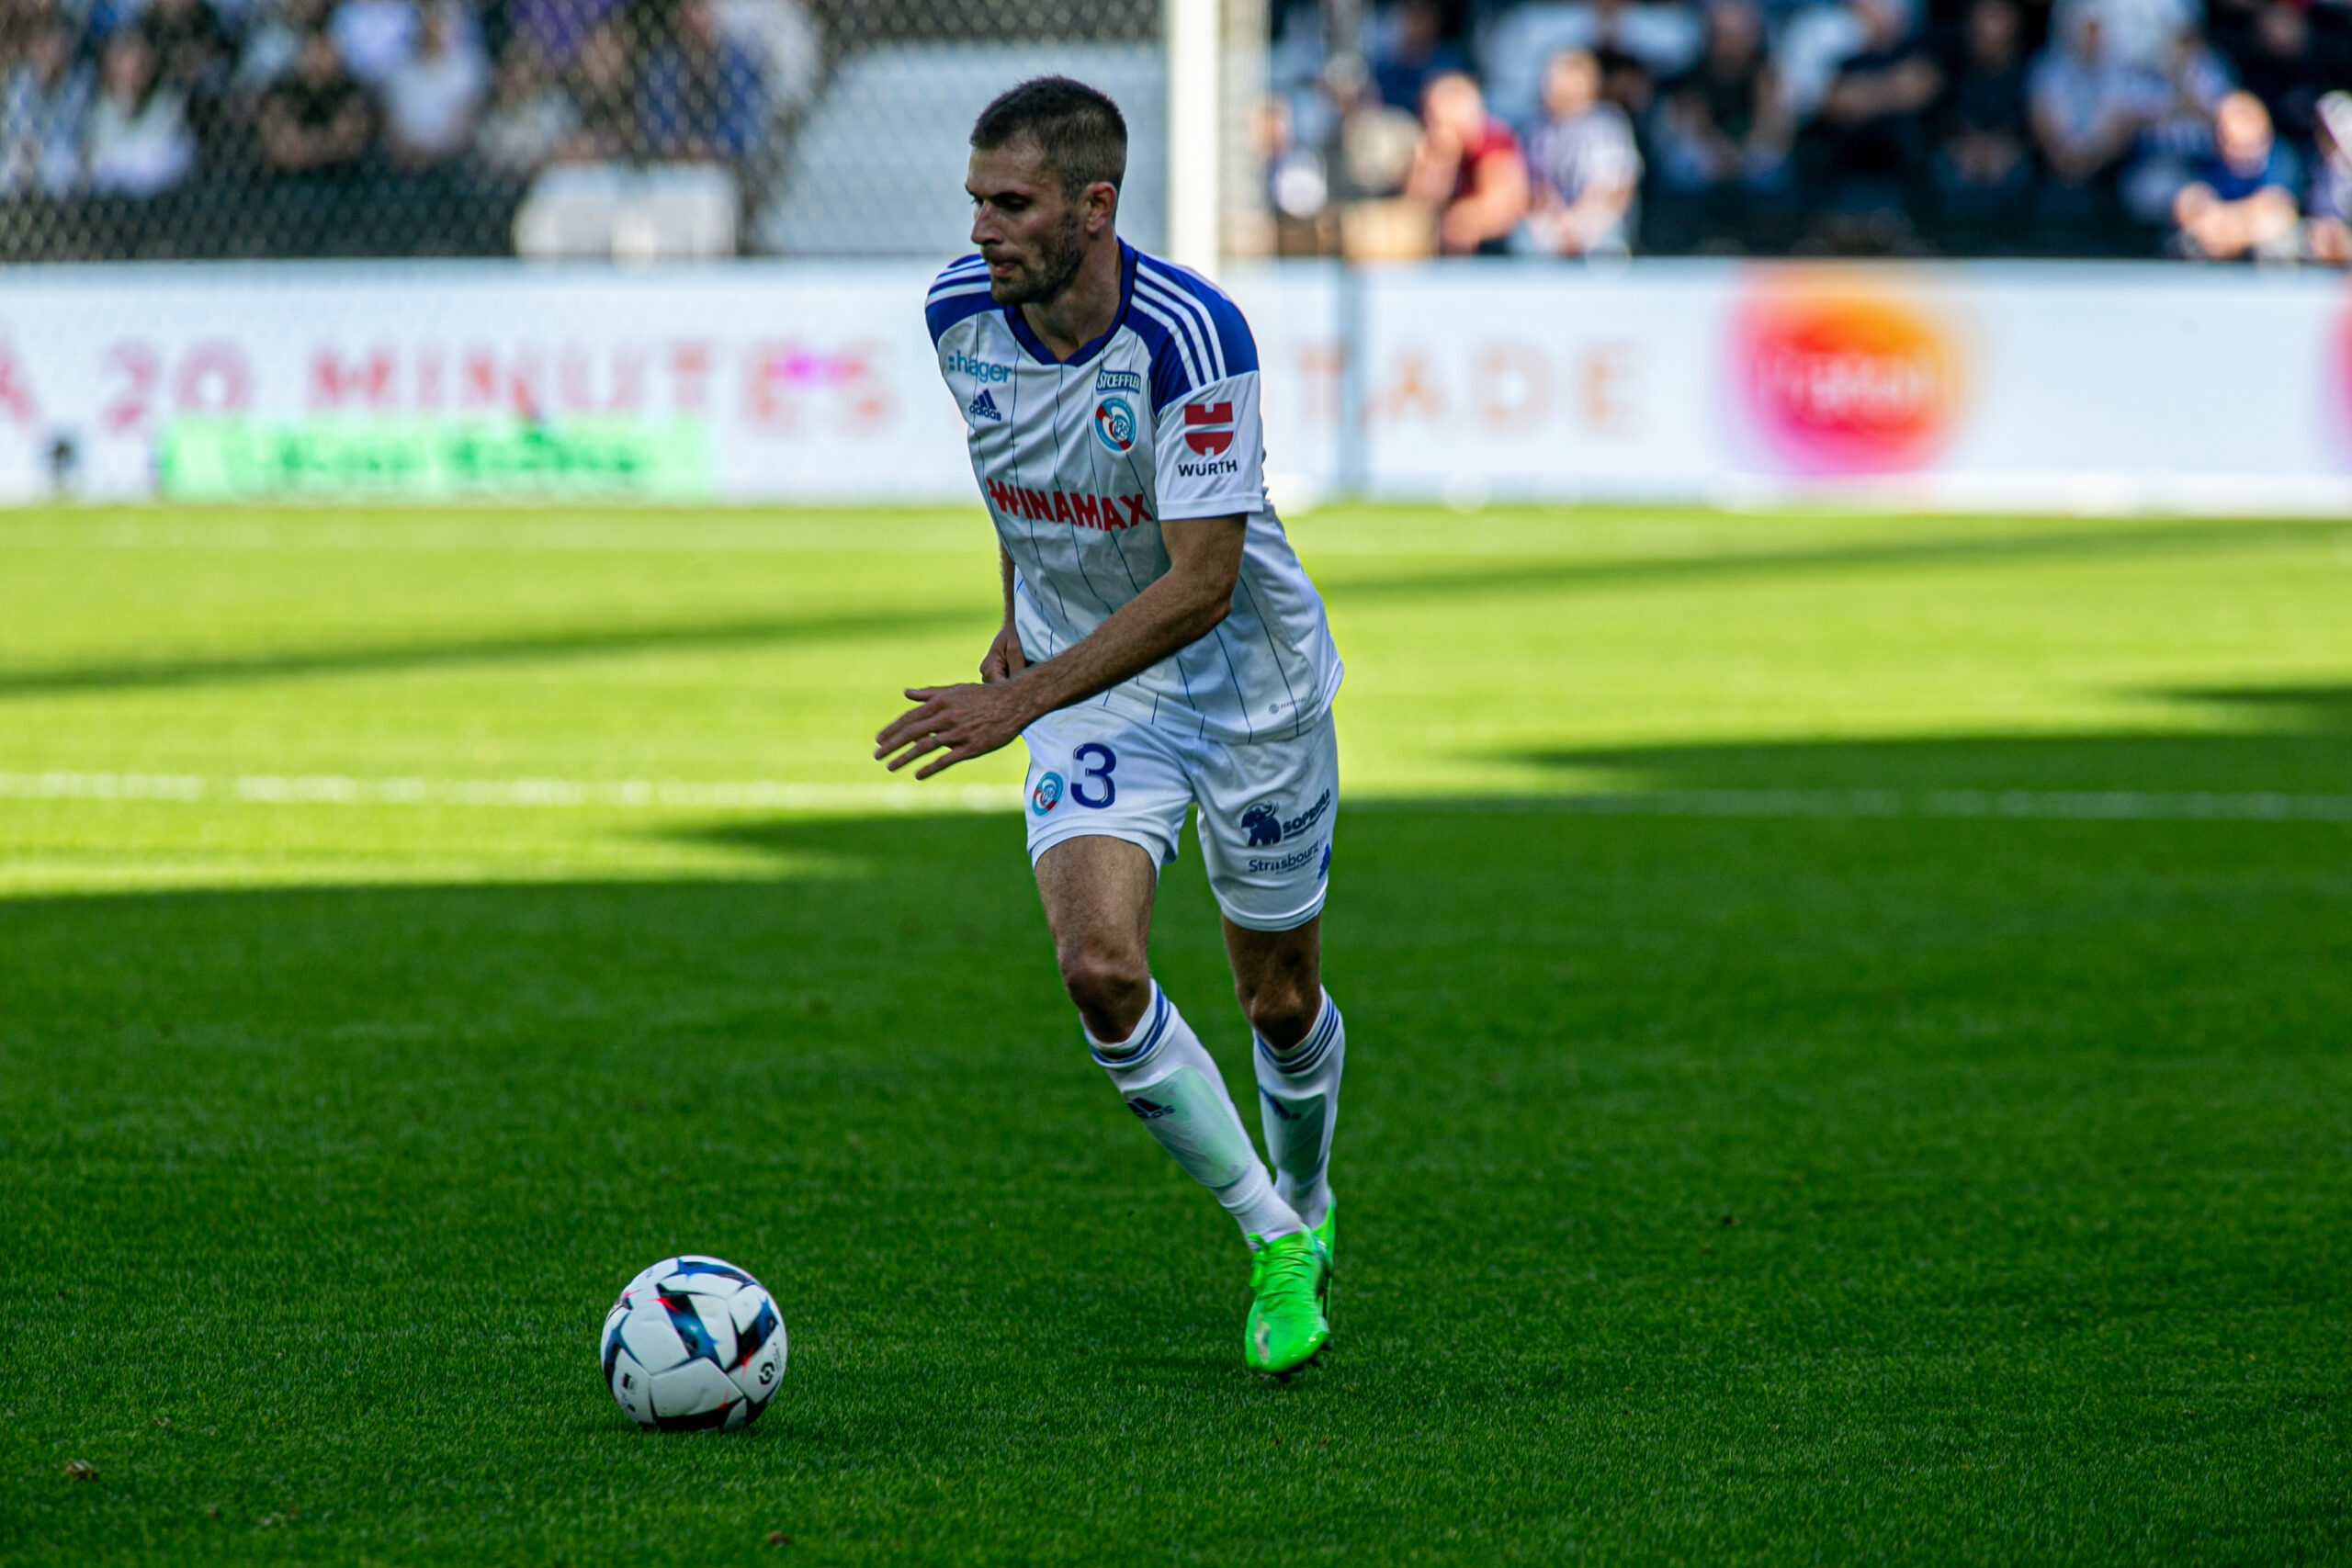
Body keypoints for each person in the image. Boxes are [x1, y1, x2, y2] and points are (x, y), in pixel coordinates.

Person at [894, 77, 1348, 1378]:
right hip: (1100, 686)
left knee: (1279, 995)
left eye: (1012, 203)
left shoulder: (1192, 338)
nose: (982, 228)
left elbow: (1203, 584)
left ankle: (1312, 1205)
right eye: (976, 200)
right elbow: (1014, 474)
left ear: (1095, 208)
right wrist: (1018, 612)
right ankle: (1269, 1234)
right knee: (1098, 964)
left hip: (1248, 686)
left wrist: (1016, 695)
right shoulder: (956, 315)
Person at [1523, 49, 1643, 256]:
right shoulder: (1536, 126)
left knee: (1606, 245)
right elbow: (1535, 183)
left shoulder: (1608, 124)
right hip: (1553, 219)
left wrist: (1579, 221)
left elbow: (1617, 185)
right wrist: (1559, 219)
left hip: (1599, 216)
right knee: (1526, 241)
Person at [1404, 70, 1530, 254]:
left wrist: (1460, 220)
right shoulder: (1433, 147)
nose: (1432, 123)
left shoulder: (1494, 143)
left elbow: (1503, 209)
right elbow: (1417, 207)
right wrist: (1441, 162)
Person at [2172, 87, 2300, 258]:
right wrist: (2211, 222)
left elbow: (2279, 208)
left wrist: (2232, 228)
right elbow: (2188, 202)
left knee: (2277, 238)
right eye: (2227, 139)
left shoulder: (2279, 157)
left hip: (2255, 241)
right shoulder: (2209, 157)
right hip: (2214, 237)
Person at [640, 0, 766, 163]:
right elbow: (655, 124)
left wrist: (711, 146)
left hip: (729, 165)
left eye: (701, 9)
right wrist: (682, 145)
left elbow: (748, 125)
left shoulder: (738, 62)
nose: (695, 19)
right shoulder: (665, 65)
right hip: (673, 165)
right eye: (689, 10)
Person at [84, 31, 196, 195]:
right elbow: (95, 164)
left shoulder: (167, 104)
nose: (134, 69)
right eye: (124, 60)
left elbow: (165, 162)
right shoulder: (97, 107)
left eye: (140, 61)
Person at [382, 1, 489, 170]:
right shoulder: (401, 68)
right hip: (406, 157)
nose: (432, 31)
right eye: (427, 25)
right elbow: (391, 119)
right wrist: (410, 149)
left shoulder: (467, 67)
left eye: (437, 25)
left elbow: (468, 120)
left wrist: (436, 150)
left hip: (453, 160)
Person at [256, 28, 373, 175]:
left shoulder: (349, 90)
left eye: (324, 52)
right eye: (313, 51)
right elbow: (280, 146)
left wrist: (310, 146)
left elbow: (349, 142)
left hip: (342, 177)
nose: (319, 60)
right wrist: (322, 144)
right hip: (286, 178)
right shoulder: (285, 89)